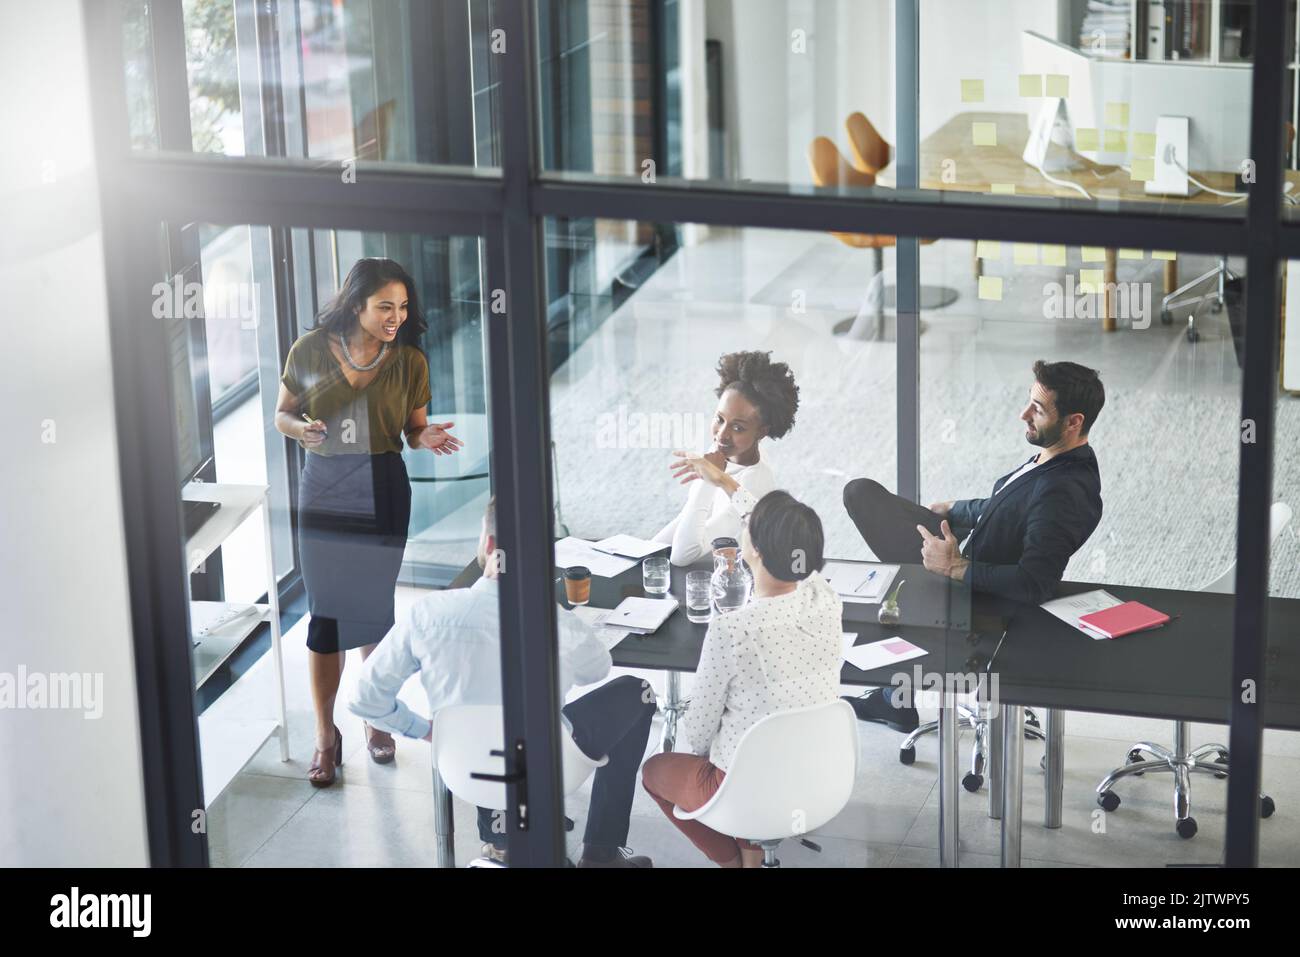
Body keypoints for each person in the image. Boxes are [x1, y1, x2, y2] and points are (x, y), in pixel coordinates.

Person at [348, 498, 657, 868]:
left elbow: (364, 700)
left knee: (483, 700)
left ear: (490, 546)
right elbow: (597, 670)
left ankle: (503, 843)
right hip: (549, 766)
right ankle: (602, 853)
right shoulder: (553, 620)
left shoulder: (429, 612)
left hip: (463, 766)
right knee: (637, 692)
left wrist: (426, 730)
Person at [275, 258, 464, 786]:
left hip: (383, 485)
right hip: (325, 486)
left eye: (403, 307)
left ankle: (374, 714)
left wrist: (423, 437)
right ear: (356, 303)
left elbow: (412, 430)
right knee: (326, 616)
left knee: (374, 609)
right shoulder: (309, 349)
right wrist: (301, 432)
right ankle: (325, 734)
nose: (396, 317)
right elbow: (282, 413)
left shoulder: (409, 359)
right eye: (386, 306)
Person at [842, 359, 1104, 730]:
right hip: (974, 548)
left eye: (1038, 409)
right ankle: (894, 695)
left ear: (1074, 422)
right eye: (1029, 402)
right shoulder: (1058, 455)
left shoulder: (1061, 491)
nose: (1023, 414)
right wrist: (954, 509)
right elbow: (1010, 503)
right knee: (864, 495)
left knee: (873, 529)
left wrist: (953, 566)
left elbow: (1035, 582)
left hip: (976, 594)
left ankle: (894, 699)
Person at [642, 477, 843, 868]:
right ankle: (753, 857)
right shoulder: (825, 597)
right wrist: (725, 483)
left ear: (753, 549)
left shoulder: (732, 629)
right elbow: (778, 533)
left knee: (657, 771)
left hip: (744, 790)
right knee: (747, 744)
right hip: (815, 779)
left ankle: (734, 864)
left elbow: (698, 734)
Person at [653, 351, 800, 566]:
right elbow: (688, 518)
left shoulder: (754, 482)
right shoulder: (723, 451)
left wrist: (706, 480)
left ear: (761, 432)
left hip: (729, 585)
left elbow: (683, 555)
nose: (722, 434)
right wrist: (648, 549)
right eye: (719, 419)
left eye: (738, 427)